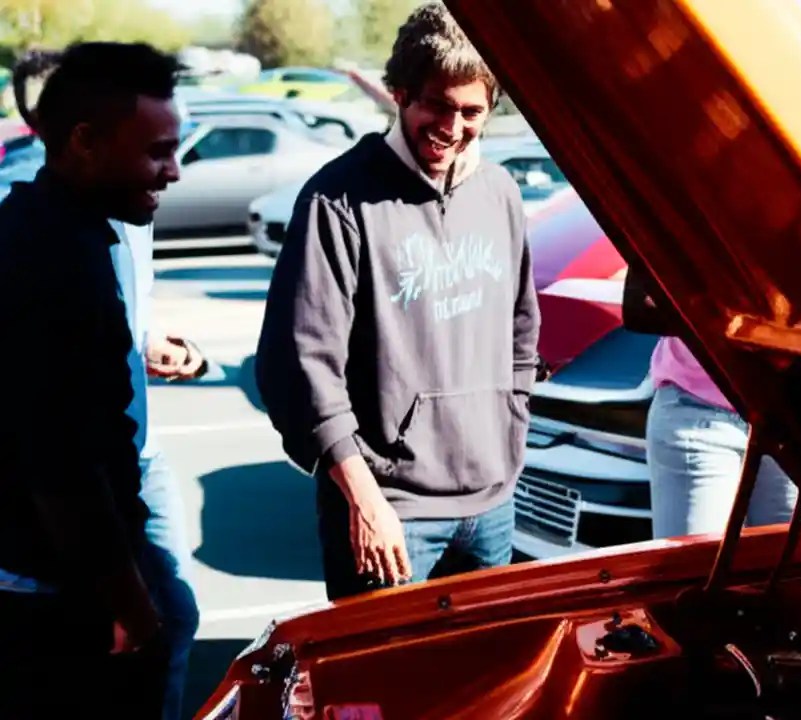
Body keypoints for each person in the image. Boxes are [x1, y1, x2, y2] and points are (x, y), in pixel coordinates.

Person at [256, 2, 540, 601]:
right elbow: (300, 368)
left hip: (492, 507)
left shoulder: (500, 194)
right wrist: (364, 500)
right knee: (375, 695)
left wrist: (509, 434)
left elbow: (521, 329)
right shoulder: (339, 199)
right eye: (436, 105)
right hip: (392, 513)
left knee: (487, 688)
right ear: (399, 94)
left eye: (471, 112)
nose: (452, 127)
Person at [10, 49, 206, 720]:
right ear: (84, 143)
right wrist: (130, 605)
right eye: (157, 152)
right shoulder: (52, 260)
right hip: (56, 598)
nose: (174, 171)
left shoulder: (75, 234)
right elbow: (59, 464)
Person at [622, 265, 801, 538]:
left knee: (797, 572)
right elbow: (639, 307)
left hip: (792, 423)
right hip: (699, 416)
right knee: (694, 573)